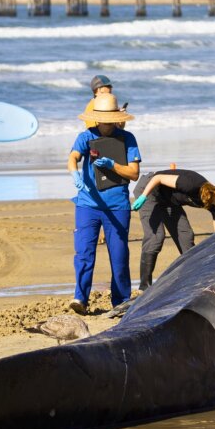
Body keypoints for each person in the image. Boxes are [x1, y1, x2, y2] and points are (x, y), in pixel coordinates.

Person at [67, 93, 141, 315]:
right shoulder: (85, 136)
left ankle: (121, 301)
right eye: (100, 117)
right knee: (84, 252)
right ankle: (80, 298)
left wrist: (113, 165)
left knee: (118, 255)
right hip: (88, 204)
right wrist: (74, 174)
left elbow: (134, 173)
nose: (104, 122)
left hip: (117, 206)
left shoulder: (128, 139)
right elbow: (72, 157)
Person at [130, 171, 215, 290]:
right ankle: (144, 286)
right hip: (150, 189)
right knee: (156, 237)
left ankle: (193, 280)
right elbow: (158, 178)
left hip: (169, 201)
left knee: (186, 236)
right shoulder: (192, 184)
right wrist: (143, 197)